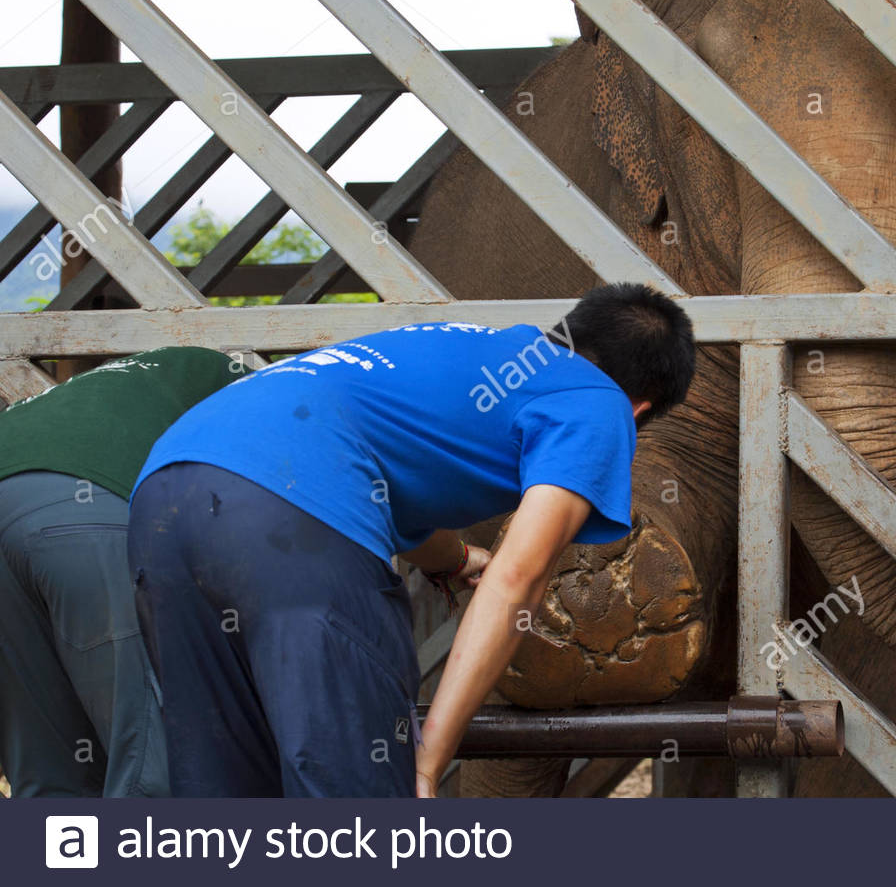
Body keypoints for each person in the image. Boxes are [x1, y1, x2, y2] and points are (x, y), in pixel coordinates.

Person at [128, 282, 696, 797]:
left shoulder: (476, 348)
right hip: (294, 522)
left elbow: (365, 458)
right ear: (641, 407)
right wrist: (429, 756)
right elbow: (518, 578)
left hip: (166, 496)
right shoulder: (600, 402)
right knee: (358, 810)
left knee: (222, 798)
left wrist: (452, 561)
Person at [0, 348, 248, 796]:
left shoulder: (116, 389)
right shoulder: (258, 394)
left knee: (49, 771)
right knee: (149, 760)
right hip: (84, 512)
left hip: (19, 498)